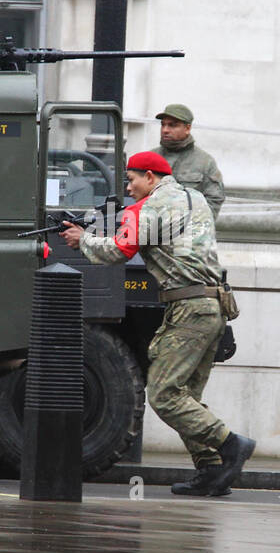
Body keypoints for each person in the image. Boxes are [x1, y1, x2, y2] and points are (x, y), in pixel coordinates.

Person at [61, 151, 254, 497]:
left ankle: (230, 444)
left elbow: (119, 251)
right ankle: (211, 469)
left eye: (132, 179)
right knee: (186, 396)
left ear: (150, 177)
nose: (128, 188)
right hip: (214, 306)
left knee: (164, 395)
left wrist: (83, 239)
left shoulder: (148, 209)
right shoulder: (195, 199)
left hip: (188, 308)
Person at [152, 104, 225, 220]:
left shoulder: (205, 162)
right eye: (163, 124)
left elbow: (214, 199)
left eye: (172, 125)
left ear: (187, 128)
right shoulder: (150, 158)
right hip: (152, 228)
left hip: (189, 228)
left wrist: (193, 224)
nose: (165, 130)